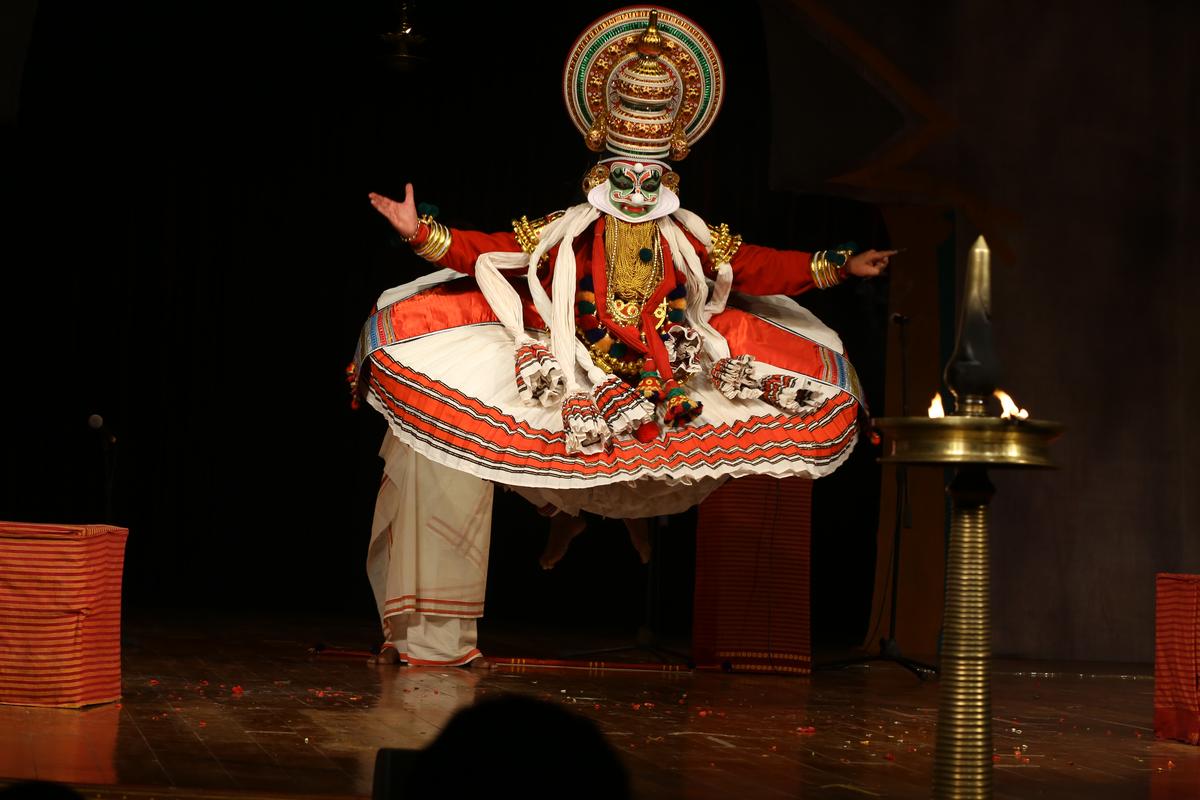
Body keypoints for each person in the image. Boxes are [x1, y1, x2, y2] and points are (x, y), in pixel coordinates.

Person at [353, 6, 891, 665]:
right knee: (526, 430)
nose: (636, 193)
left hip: (666, 366)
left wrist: (837, 265)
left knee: (677, 444)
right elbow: (487, 251)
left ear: (668, 177)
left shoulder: (689, 237)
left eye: (649, 180)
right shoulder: (570, 231)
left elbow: (756, 264)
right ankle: (562, 521)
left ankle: (618, 521)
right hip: (579, 360)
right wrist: (420, 233)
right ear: (601, 176)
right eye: (624, 179)